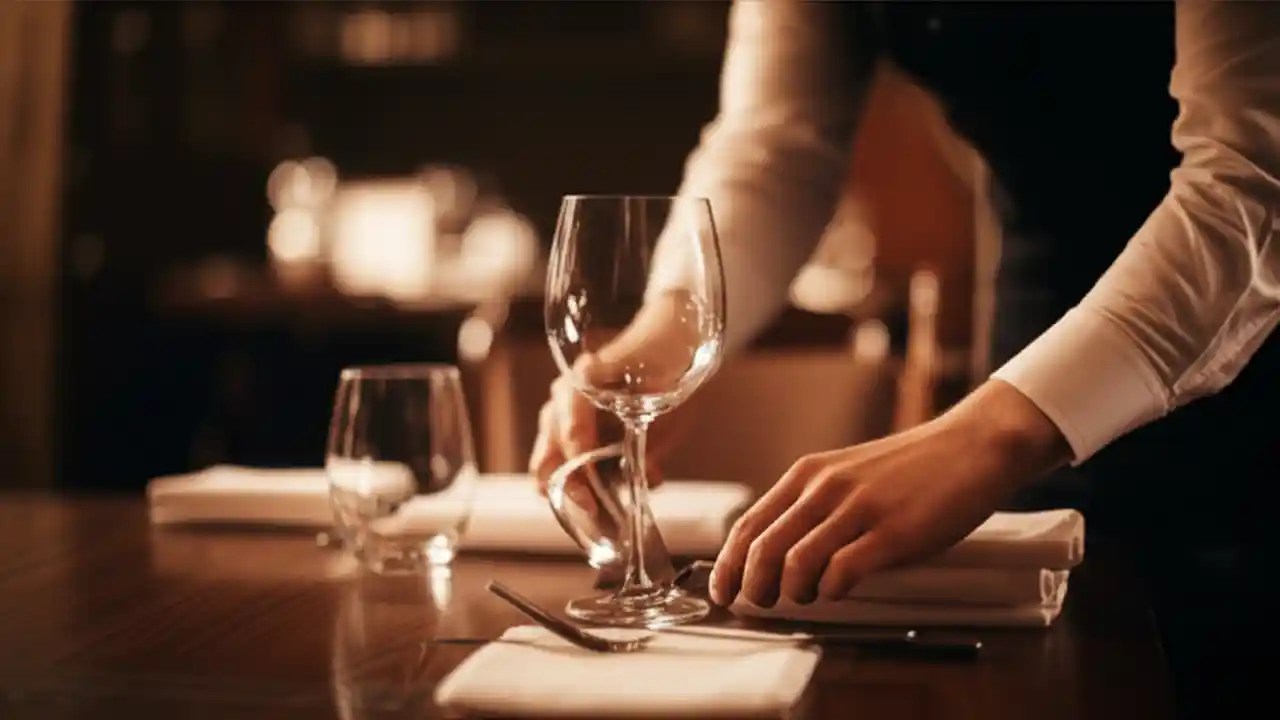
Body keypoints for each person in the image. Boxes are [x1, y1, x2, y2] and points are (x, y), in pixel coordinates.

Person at [530, 2, 1279, 716]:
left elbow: (1254, 180)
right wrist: (666, 342)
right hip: (1044, 307)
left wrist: (987, 434)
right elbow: (778, 144)